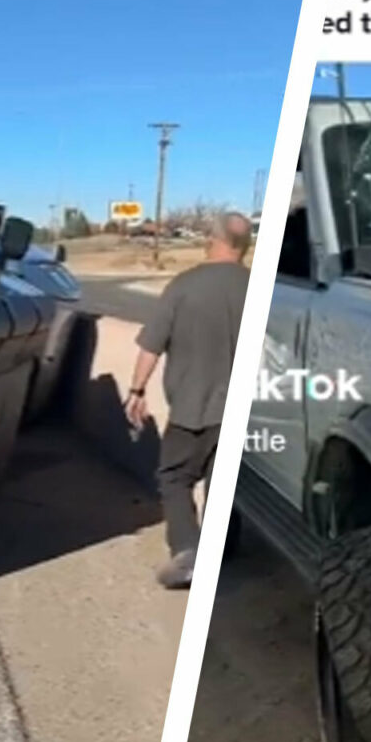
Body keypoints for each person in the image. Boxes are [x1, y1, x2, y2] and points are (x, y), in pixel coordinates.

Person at [124, 212, 252, 589]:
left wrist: (136, 389)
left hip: (194, 409)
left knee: (175, 476)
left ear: (211, 241)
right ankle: (222, 550)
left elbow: (151, 346)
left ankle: (187, 550)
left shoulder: (183, 285)